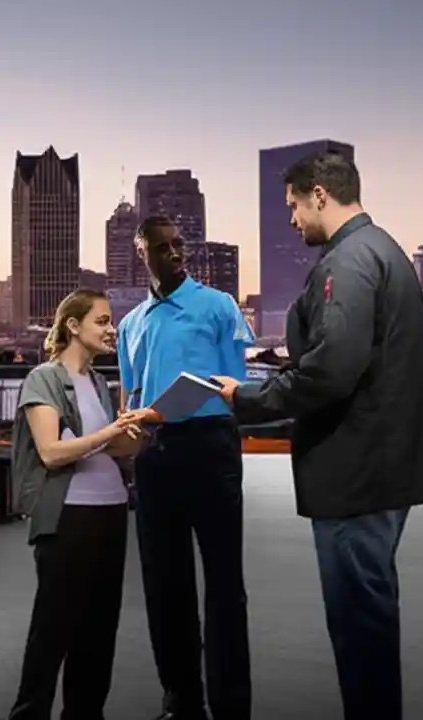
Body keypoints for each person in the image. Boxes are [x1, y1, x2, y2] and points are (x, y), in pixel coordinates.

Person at [211, 151, 423, 720]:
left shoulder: (346, 263)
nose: (292, 219)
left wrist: (245, 397)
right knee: (369, 614)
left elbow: (332, 371)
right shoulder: (383, 251)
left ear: (319, 194)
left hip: (357, 474)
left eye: (293, 205)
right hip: (385, 467)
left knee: (359, 625)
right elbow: (352, 350)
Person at [115, 216, 256, 720]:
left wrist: (168, 408)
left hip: (211, 449)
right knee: (164, 584)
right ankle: (181, 701)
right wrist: (131, 430)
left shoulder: (219, 306)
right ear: (142, 252)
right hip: (155, 457)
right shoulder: (131, 325)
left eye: (180, 244)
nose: (177, 253)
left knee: (224, 584)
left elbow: (233, 383)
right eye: (164, 246)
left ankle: (231, 705)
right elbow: (131, 395)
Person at [7, 288, 147, 720]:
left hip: (110, 511)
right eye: (102, 321)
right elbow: (51, 452)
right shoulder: (44, 379)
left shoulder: (99, 383)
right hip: (69, 516)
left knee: (99, 631)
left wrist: (136, 431)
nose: (112, 329)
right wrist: (109, 434)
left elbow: (110, 450)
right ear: (73, 325)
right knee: (53, 629)